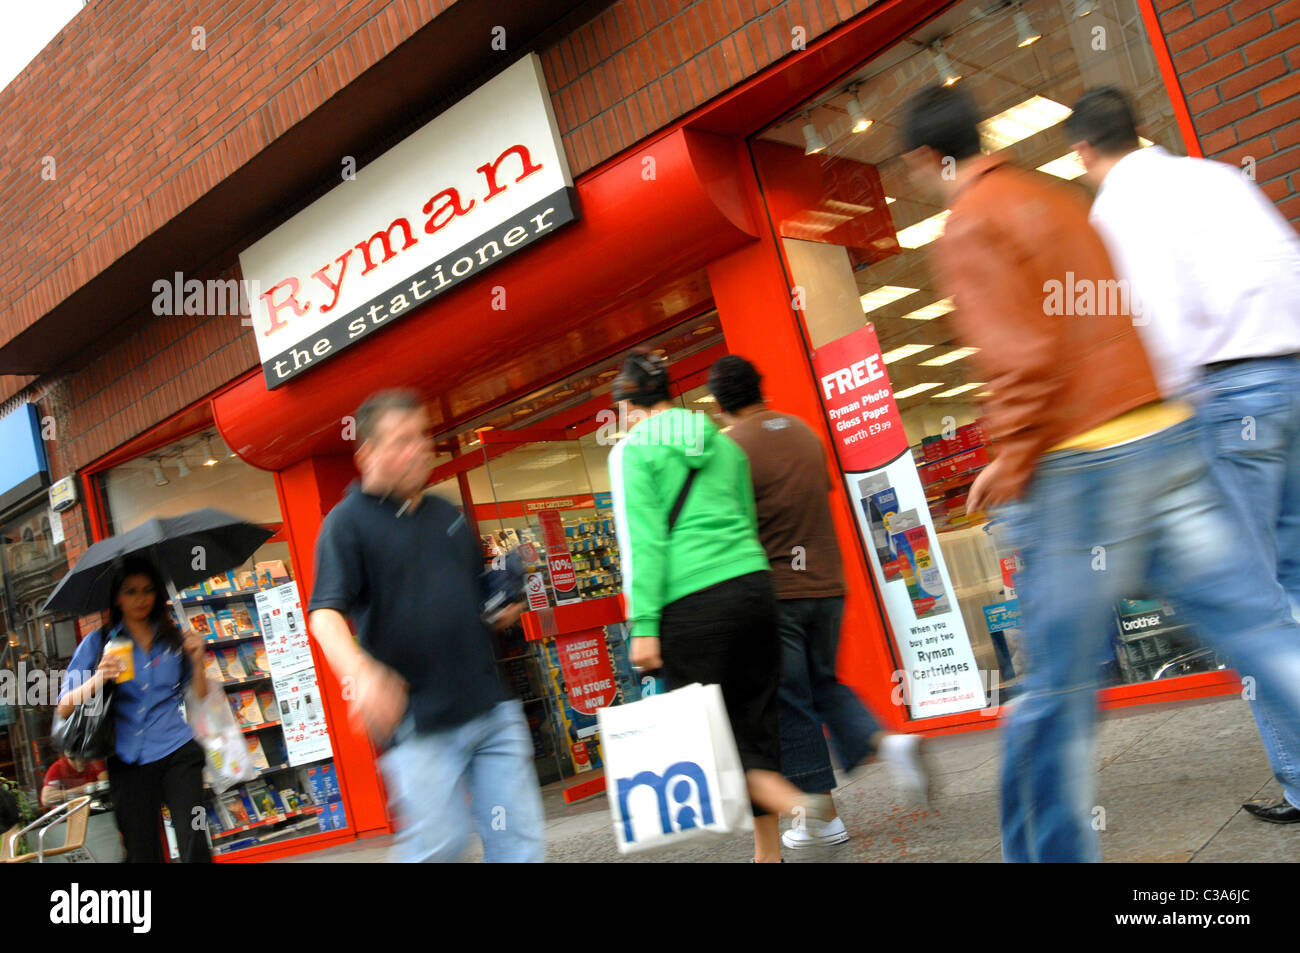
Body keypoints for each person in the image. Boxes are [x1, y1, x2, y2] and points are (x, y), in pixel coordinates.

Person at [899, 82, 1300, 862]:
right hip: (1169, 440)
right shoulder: (1058, 196)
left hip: (1085, 466)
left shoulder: (971, 222)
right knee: (1261, 623)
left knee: (1055, 688)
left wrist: (1011, 461)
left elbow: (1022, 362)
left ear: (924, 157)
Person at [1066, 85, 1300, 824]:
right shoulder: (1218, 177)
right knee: (1291, 581)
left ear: (1081, 152)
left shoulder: (1113, 212)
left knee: (1252, 602)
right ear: (1139, 130)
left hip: (1230, 402)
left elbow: (1156, 327)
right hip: (1291, 380)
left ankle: (1299, 777)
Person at [608, 349, 831, 863]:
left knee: (709, 740)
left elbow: (643, 544)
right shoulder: (726, 448)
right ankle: (767, 853)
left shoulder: (633, 450)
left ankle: (798, 803)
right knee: (755, 721)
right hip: (754, 589)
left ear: (628, 405)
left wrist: (644, 625)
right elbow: (746, 520)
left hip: (693, 602)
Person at [707, 354, 931, 849]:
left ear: (720, 404)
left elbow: (730, 527)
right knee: (823, 684)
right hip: (828, 585)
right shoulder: (806, 434)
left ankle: (821, 819)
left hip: (777, 594)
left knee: (789, 703)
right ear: (759, 387)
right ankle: (890, 743)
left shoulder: (730, 450)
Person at [308, 388, 541, 863]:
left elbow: (476, 593)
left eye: (422, 436)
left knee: (518, 843)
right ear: (366, 455)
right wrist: (361, 673)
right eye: (401, 440)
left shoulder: (446, 516)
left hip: (491, 709)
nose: (418, 448)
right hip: (420, 724)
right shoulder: (346, 524)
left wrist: (501, 606)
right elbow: (324, 613)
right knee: (439, 846)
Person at [56, 556, 211, 862]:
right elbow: (63, 708)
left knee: (194, 837)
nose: (141, 599)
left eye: (147, 590)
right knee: (142, 851)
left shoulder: (173, 639)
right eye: (130, 591)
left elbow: (200, 694)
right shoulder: (97, 643)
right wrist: (99, 678)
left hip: (177, 751)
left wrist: (196, 658)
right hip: (128, 760)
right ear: (117, 597)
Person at [41, 755, 108, 808]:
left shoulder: (94, 760)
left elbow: (105, 783)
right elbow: (46, 799)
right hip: (66, 814)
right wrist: (80, 790)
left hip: (94, 808)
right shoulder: (58, 767)